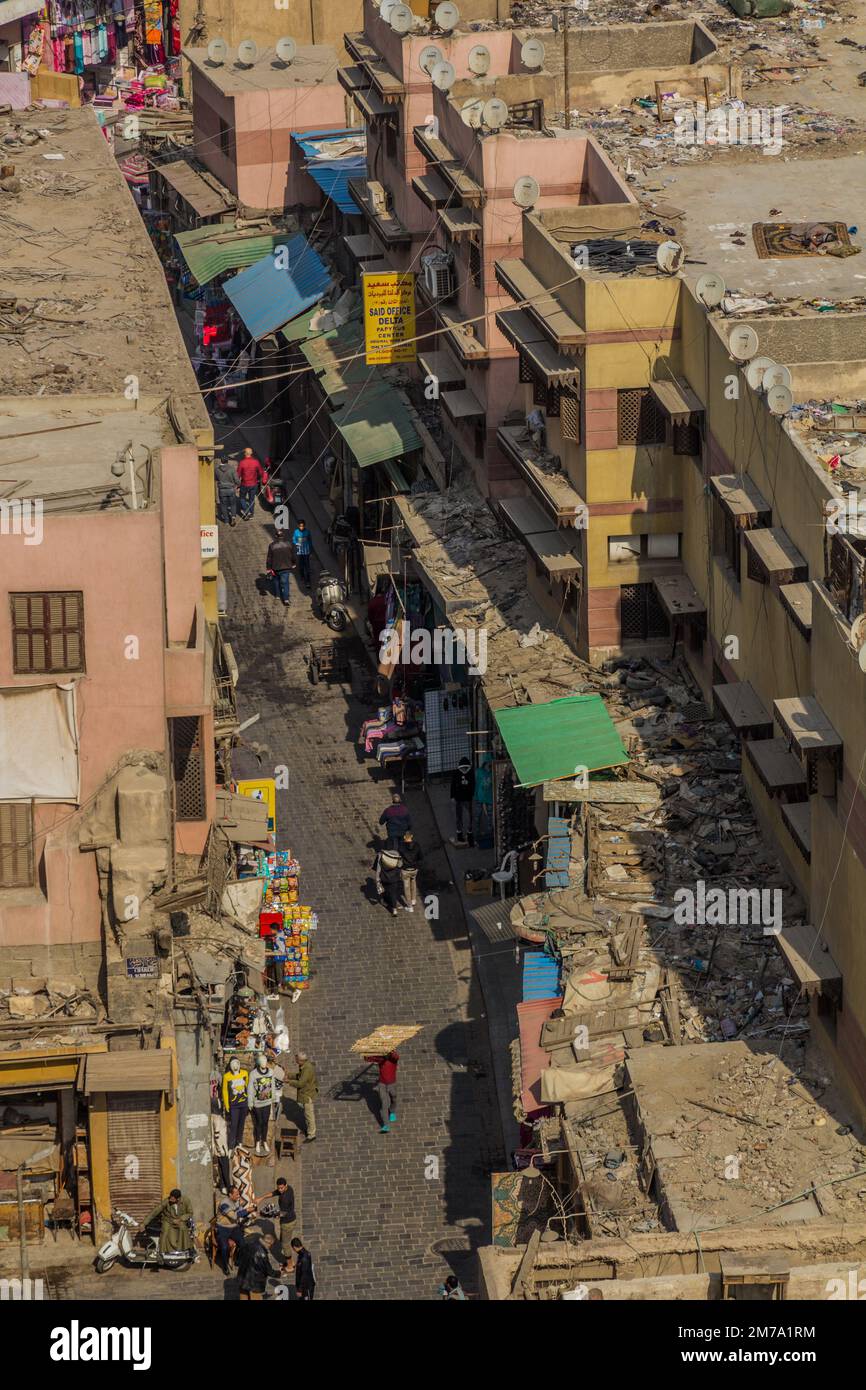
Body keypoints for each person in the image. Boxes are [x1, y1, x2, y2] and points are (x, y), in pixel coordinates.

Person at [247, 1053, 282, 1157]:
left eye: (265, 1061)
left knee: (265, 1123)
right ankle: (258, 1141)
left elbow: (273, 1085)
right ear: (258, 1063)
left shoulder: (271, 1072)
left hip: (267, 1102)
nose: (264, 1063)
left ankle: (264, 1141)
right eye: (261, 1061)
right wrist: (250, 1101)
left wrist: (274, 1097)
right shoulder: (253, 1074)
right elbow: (250, 1088)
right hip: (257, 1103)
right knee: (258, 1123)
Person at [144, 1189, 194, 1256]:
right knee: (165, 1231)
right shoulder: (166, 1201)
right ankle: (161, 1252)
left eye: (172, 1199)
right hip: (167, 1220)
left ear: (178, 1198)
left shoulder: (186, 1200)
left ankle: (186, 1248)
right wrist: (144, 1223)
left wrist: (180, 1219)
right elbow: (155, 1211)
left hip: (179, 1220)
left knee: (183, 1228)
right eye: (170, 1197)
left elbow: (190, 1213)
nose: (170, 1200)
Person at [237, 1231, 285, 1301]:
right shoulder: (262, 1255)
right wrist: (279, 1273)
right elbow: (268, 1270)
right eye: (271, 1245)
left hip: (242, 1276)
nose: (270, 1247)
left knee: (243, 1296)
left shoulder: (250, 1243)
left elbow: (239, 1255)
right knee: (255, 1298)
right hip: (254, 1283)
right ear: (269, 1243)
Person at [286, 1051, 318, 1142]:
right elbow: (299, 1076)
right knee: (307, 1114)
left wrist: (289, 1082)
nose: (295, 1060)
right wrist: (289, 1075)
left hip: (307, 1095)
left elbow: (300, 1083)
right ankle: (308, 1131)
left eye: (297, 1059)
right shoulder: (304, 1066)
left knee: (309, 1115)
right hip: (306, 1093)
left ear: (301, 1061)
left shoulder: (307, 1069)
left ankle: (312, 1135)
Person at [365, 1050, 399, 1133]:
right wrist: (366, 1053)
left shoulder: (393, 1060)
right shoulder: (381, 1060)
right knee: (384, 1104)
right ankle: (386, 1125)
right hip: (382, 1084)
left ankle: (392, 1111)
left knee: (393, 1098)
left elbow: (396, 1056)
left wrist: (391, 1051)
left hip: (392, 1084)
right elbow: (369, 1059)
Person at [222, 1055, 249, 1150]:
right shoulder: (226, 1076)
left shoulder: (245, 1073)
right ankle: (231, 1146)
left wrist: (248, 1102)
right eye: (233, 1064)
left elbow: (247, 1087)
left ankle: (239, 1143)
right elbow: (224, 1091)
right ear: (230, 1065)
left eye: (237, 1063)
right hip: (234, 1105)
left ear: (239, 1063)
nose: (235, 1065)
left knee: (241, 1125)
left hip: (243, 1104)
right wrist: (226, 1105)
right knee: (233, 1126)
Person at [266, 530, 296, 608]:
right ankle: (286, 599)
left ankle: (278, 595)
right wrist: (293, 563)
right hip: (286, 567)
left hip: (275, 567)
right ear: (283, 536)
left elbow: (269, 558)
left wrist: (268, 568)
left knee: (276, 581)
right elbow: (293, 555)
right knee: (285, 583)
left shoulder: (272, 546)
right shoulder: (289, 544)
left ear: (276, 536)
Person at [450, 756, 475, 847]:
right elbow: (452, 785)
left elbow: (473, 785)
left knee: (469, 816)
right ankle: (460, 834)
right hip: (458, 799)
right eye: (463, 767)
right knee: (459, 816)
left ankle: (469, 833)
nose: (464, 769)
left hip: (467, 798)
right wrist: (452, 796)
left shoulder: (470, 773)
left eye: (466, 767)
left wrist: (472, 795)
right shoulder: (456, 773)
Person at [236, 446, 266, 520]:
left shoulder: (242, 463)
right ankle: (251, 514)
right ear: (251, 453)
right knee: (251, 499)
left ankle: (246, 511)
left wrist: (237, 485)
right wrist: (261, 479)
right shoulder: (256, 462)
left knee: (242, 498)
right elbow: (261, 472)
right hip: (254, 484)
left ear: (245, 454)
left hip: (244, 484)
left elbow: (238, 474)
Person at [268, 1176, 297, 1251]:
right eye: (278, 1188)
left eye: (281, 1188)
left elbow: (283, 1213)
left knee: (285, 1245)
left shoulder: (284, 1199)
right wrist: (261, 1198)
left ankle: (289, 1262)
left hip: (288, 1222)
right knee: (283, 1238)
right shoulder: (289, 1188)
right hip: (289, 1219)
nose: (280, 1190)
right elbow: (275, 1192)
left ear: (285, 1185)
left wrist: (270, 1214)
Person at [375, 848, 403, 916]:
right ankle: (394, 909)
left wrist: (377, 879)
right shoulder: (397, 857)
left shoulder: (381, 856)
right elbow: (400, 865)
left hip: (384, 878)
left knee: (386, 891)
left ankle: (386, 902)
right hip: (394, 879)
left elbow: (378, 869)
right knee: (393, 893)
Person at [399, 830, 422, 912]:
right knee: (413, 882)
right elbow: (420, 857)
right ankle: (413, 899)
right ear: (411, 836)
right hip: (414, 869)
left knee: (406, 886)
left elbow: (399, 858)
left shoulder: (401, 846)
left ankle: (409, 906)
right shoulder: (417, 845)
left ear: (404, 837)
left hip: (405, 870)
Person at [292, 518, 312, 586]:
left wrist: (310, 551)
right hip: (299, 551)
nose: (301, 527)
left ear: (304, 526)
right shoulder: (296, 532)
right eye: (300, 526)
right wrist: (297, 543)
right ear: (298, 526)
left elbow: (310, 541)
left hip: (306, 551)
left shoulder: (307, 532)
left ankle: (308, 580)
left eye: (302, 526)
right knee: (301, 565)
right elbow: (294, 540)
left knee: (307, 567)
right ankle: (302, 576)